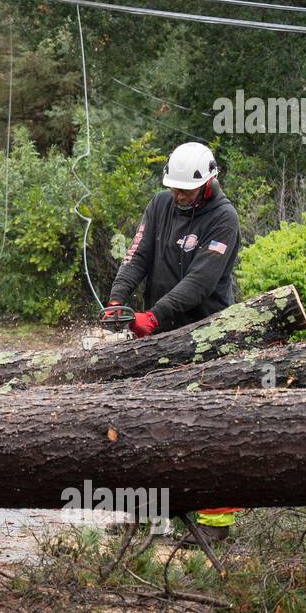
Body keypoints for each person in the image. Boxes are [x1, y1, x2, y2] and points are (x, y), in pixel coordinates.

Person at [102, 141, 242, 546]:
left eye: (186, 190)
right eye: (175, 188)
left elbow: (199, 282)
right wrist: (118, 298)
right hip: (157, 335)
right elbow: (137, 256)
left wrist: (154, 315)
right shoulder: (160, 205)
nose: (179, 196)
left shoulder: (224, 219)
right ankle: (146, 513)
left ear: (208, 181)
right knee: (144, 421)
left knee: (208, 428)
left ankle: (215, 528)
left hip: (205, 336)